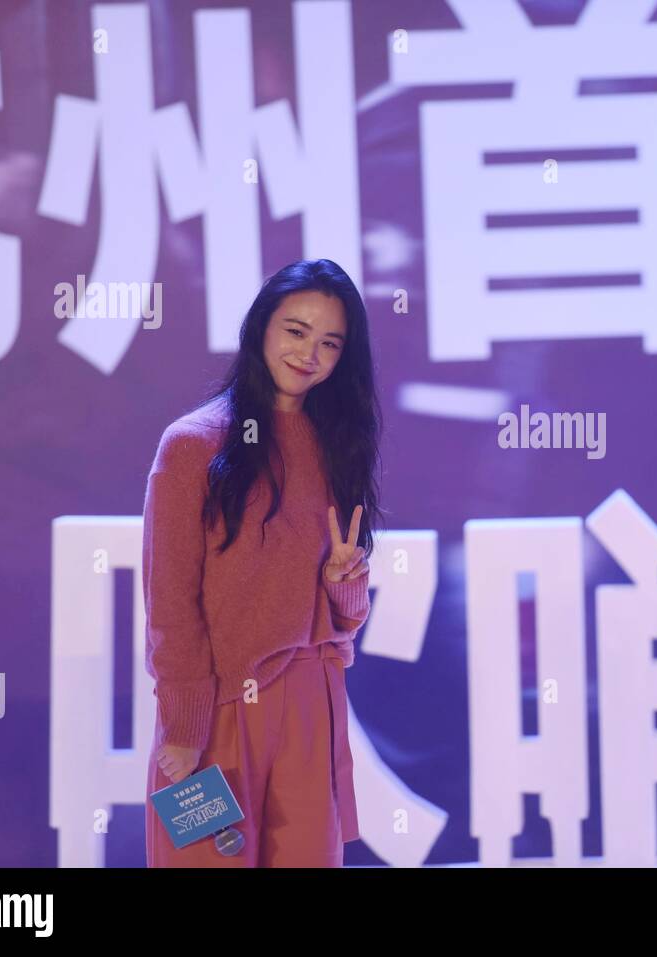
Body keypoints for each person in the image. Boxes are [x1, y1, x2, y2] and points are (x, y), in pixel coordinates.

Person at [142, 258, 381, 867]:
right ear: (260, 328)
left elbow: (345, 619)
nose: (310, 354)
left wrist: (344, 588)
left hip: (309, 703)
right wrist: (185, 717)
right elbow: (171, 597)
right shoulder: (194, 444)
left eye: (330, 343)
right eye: (295, 331)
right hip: (219, 704)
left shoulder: (340, 447)